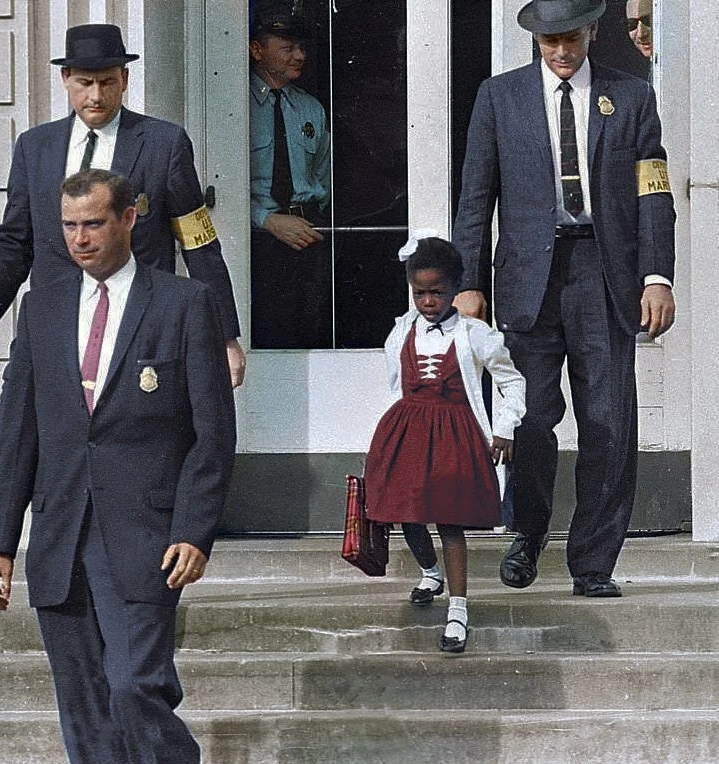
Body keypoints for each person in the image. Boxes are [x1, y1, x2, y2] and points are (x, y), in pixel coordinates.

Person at [0, 169, 236, 763]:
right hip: (60, 535)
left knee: (134, 686)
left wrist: (193, 531)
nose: (80, 238)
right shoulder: (40, 308)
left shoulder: (183, 303)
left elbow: (213, 436)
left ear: (128, 218)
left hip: (147, 538)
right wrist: (1, 543)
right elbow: (19, 434)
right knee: (85, 711)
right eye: (69, 226)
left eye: (93, 223)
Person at [451, 0, 676, 597]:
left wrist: (657, 276)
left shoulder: (632, 97)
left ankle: (594, 562)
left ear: (592, 31)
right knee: (529, 416)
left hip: (604, 274)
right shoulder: (499, 98)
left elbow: (654, 194)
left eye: (571, 38)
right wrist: (468, 284)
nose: (560, 51)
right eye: (549, 41)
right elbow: (475, 197)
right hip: (528, 281)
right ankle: (527, 533)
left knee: (608, 421)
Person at [0, 23, 246, 387]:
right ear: (66, 78)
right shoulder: (34, 147)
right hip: (55, 328)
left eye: (107, 82)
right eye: (85, 83)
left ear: (125, 79)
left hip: (139, 329)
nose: (95, 96)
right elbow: (16, 236)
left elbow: (199, 243)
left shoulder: (164, 144)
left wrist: (225, 335)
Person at [364, 234, 526, 653]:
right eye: (419, 293)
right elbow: (396, 384)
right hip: (408, 429)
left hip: (454, 432)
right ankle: (430, 571)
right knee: (406, 511)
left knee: (449, 520)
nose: (428, 301)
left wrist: (505, 427)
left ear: (455, 289)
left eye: (437, 292)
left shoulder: (475, 334)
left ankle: (458, 609)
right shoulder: (402, 331)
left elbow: (511, 381)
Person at [249, 2, 332, 348]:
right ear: (257, 50)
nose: (299, 56)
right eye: (287, 47)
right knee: (266, 336)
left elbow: (322, 178)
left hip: (306, 237)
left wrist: (308, 218)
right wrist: (265, 220)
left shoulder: (310, 108)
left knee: (310, 336)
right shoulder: (236, 107)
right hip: (257, 241)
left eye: (301, 47)